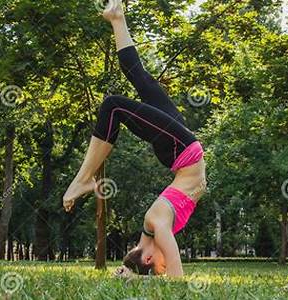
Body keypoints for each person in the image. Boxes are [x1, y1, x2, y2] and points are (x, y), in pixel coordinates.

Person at [62, 0, 206, 277]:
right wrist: (133, 273)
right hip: (181, 149)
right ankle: (116, 18)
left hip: (181, 148)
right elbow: (175, 279)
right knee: (135, 85)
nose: (166, 265)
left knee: (119, 100)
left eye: (159, 267)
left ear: (150, 258)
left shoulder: (155, 223)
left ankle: (117, 18)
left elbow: (171, 276)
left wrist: (131, 273)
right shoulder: (156, 225)